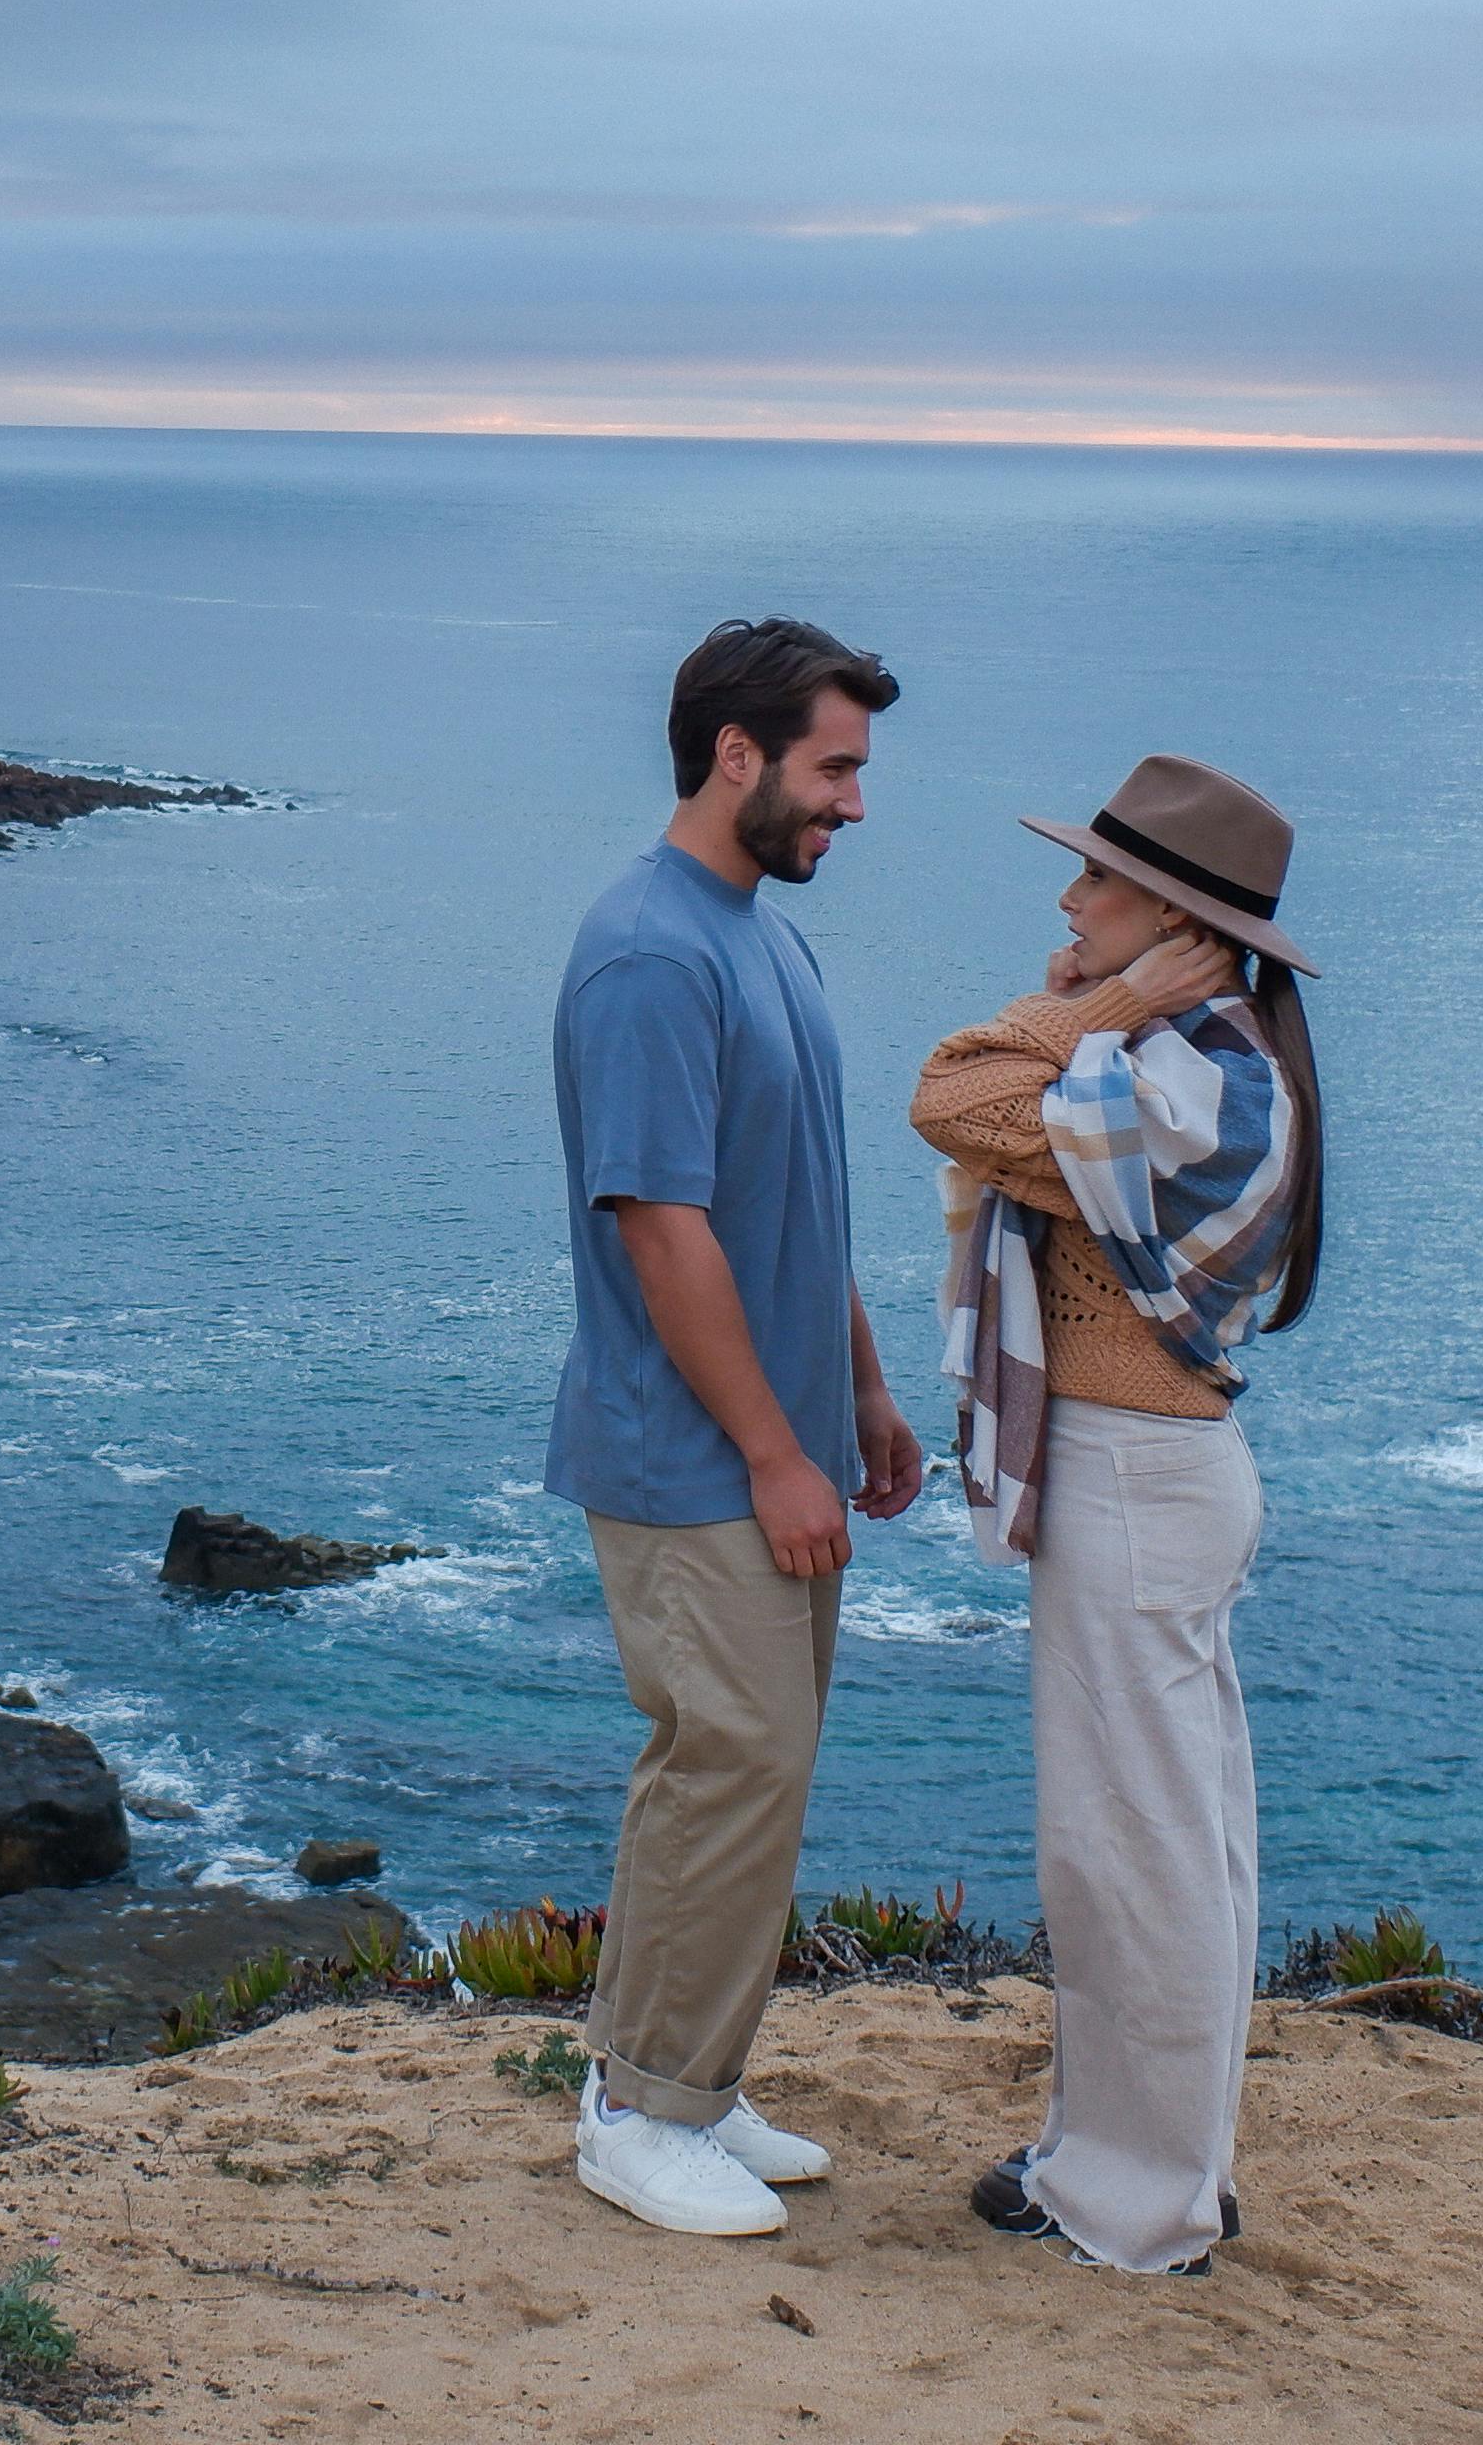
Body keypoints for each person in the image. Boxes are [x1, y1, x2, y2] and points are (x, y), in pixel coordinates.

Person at [909, 753, 1325, 2276]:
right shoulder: (1178, 1057)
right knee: (1167, 1844)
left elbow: (950, 1089)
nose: (1066, 896)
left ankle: (1143, 2202)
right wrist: (1114, 995)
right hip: (1148, 1474)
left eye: (1095, 879)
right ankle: (1142, 2163)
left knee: (1132, 1853)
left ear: (1171, 918)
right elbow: (990, 1089)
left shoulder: (1187, 1073)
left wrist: (1101, 1001)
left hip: (1140, 1481)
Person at [545, 614, 929, 2239]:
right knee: (734, 1762)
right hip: (691, 1454)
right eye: (835, 768)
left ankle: (677, 2073)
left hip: (775, 1432)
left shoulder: (762, 935)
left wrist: (860, 1392)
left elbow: (795, 1206)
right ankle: (641, 2113)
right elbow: (663, 1228)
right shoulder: (650, 951)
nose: (853, 803)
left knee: (735, 1770)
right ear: (737, 755)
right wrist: (775, 1451)